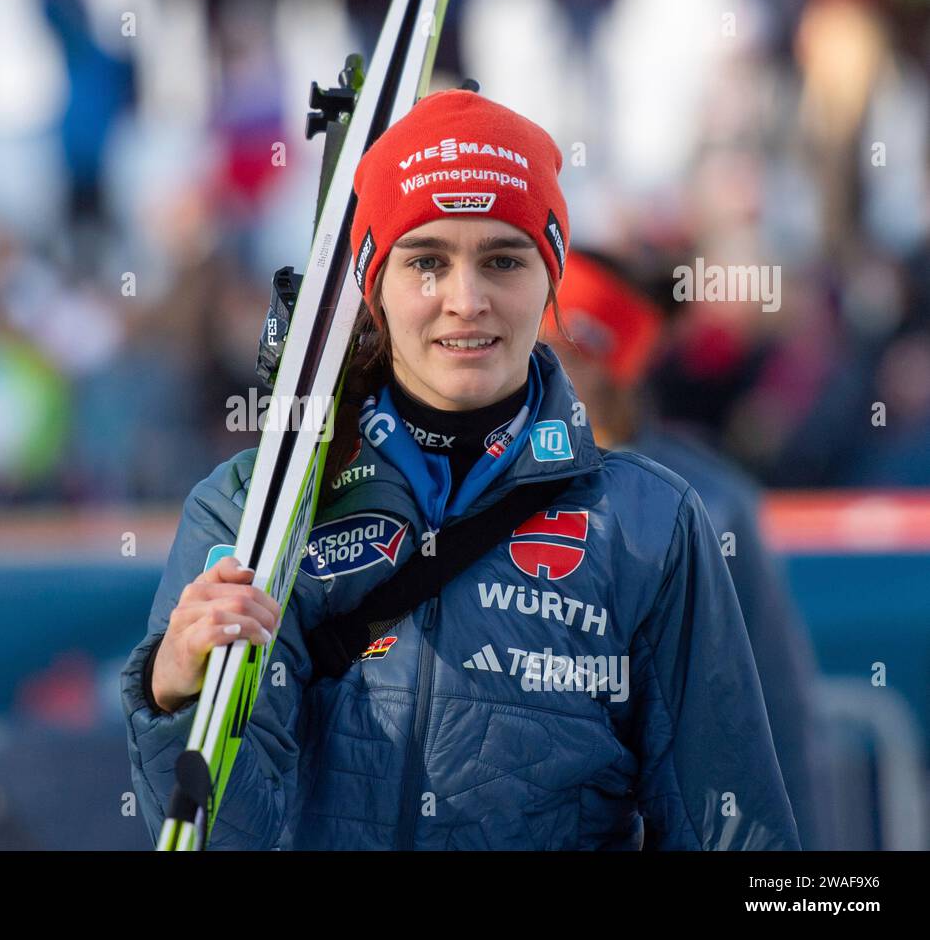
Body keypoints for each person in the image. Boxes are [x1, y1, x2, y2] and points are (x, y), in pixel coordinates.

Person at [120, 88, 801, 850]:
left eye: (503, 260)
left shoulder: (650, 523)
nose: (466, 299)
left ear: (551, 277)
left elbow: (731, 829)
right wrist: (175, 697)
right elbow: (228, 838)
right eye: (427, 262)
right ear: (374, 284)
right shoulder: (259, 506)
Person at [540, 248, 830, 849]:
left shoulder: (711, 503)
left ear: (614, 366)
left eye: (566, 353)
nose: (542, 373)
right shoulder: (494, 481)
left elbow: (774, 713)